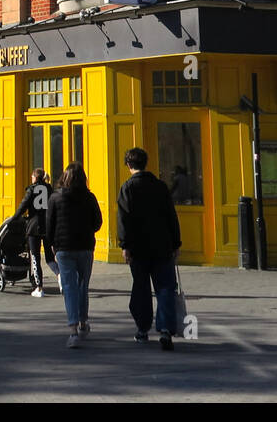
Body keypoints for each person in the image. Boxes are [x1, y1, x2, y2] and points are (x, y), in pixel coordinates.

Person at [117, 147, 182, 349]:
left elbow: (123, 219)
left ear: (128, 165)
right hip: (162, 245)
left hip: (138, 248)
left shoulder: (127, 188)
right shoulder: (160, 186)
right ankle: (165, 330)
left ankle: (142, 328)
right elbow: (171, 215)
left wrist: (124, 245)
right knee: (165, 288)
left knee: (141, 287)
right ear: (146, 163)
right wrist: (175, 243)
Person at [46, 162, 102, 349]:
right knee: (82, 286)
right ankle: (84, 322)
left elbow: (49, 225)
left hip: (64, 248)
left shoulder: (55, 198)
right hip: (86, 247)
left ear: (65, 178)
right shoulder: (89, 197)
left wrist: (52, 245)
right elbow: (97, 222)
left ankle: (73, 330)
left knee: (69, 287)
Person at [14, 168, 53, 297]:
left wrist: (15, 218)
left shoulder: (31, 189)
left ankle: (39, 287)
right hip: (47, 226)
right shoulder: (49, 189)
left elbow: (23, 206)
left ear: (35, 178)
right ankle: (60, 276)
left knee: (35, 257)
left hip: (34, 227)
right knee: (50, 257)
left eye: (32, 176)